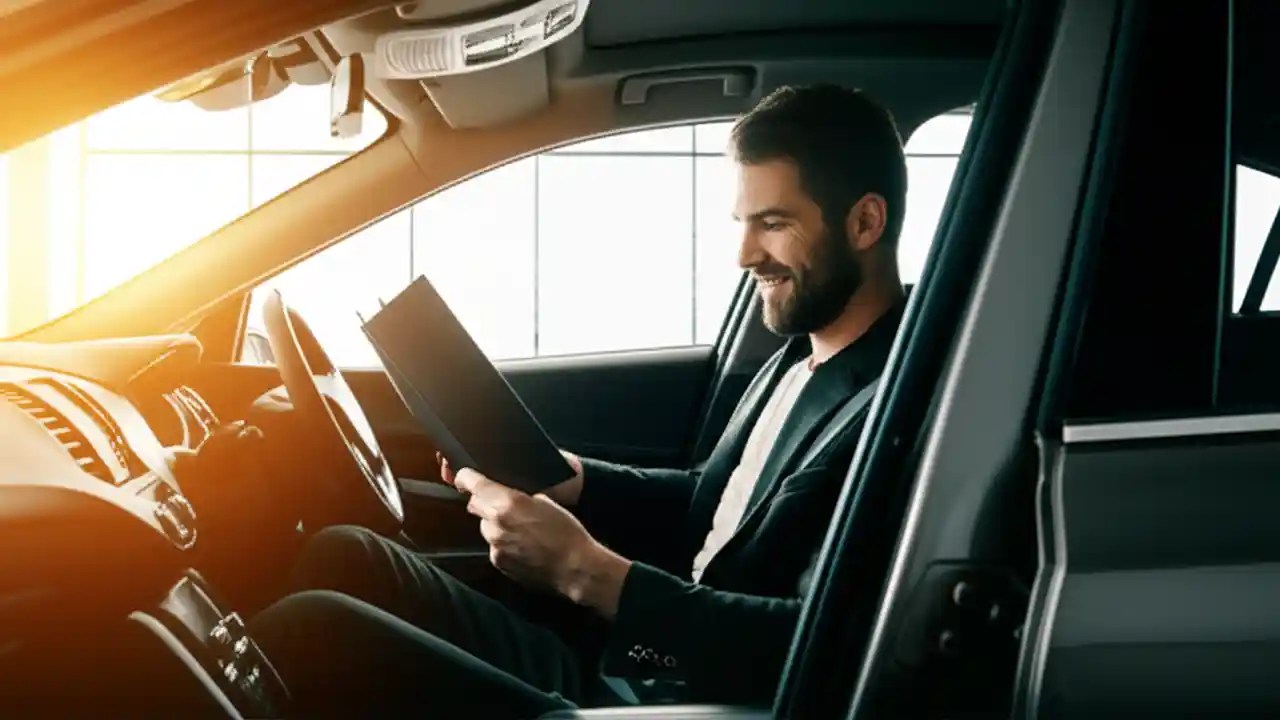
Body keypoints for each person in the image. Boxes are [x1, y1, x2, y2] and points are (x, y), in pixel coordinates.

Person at [251, 84, 909, 718]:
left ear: (864, 222)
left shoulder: (899, 408)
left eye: (774, 224)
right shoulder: (800, 356)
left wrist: (585, 571)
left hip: (675, 696)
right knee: (348, 555)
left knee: (308, 633)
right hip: (629, 660)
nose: (743, 254)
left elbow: (822, 643)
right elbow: (708, 503)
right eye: (742, 223)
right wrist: (571, 482)